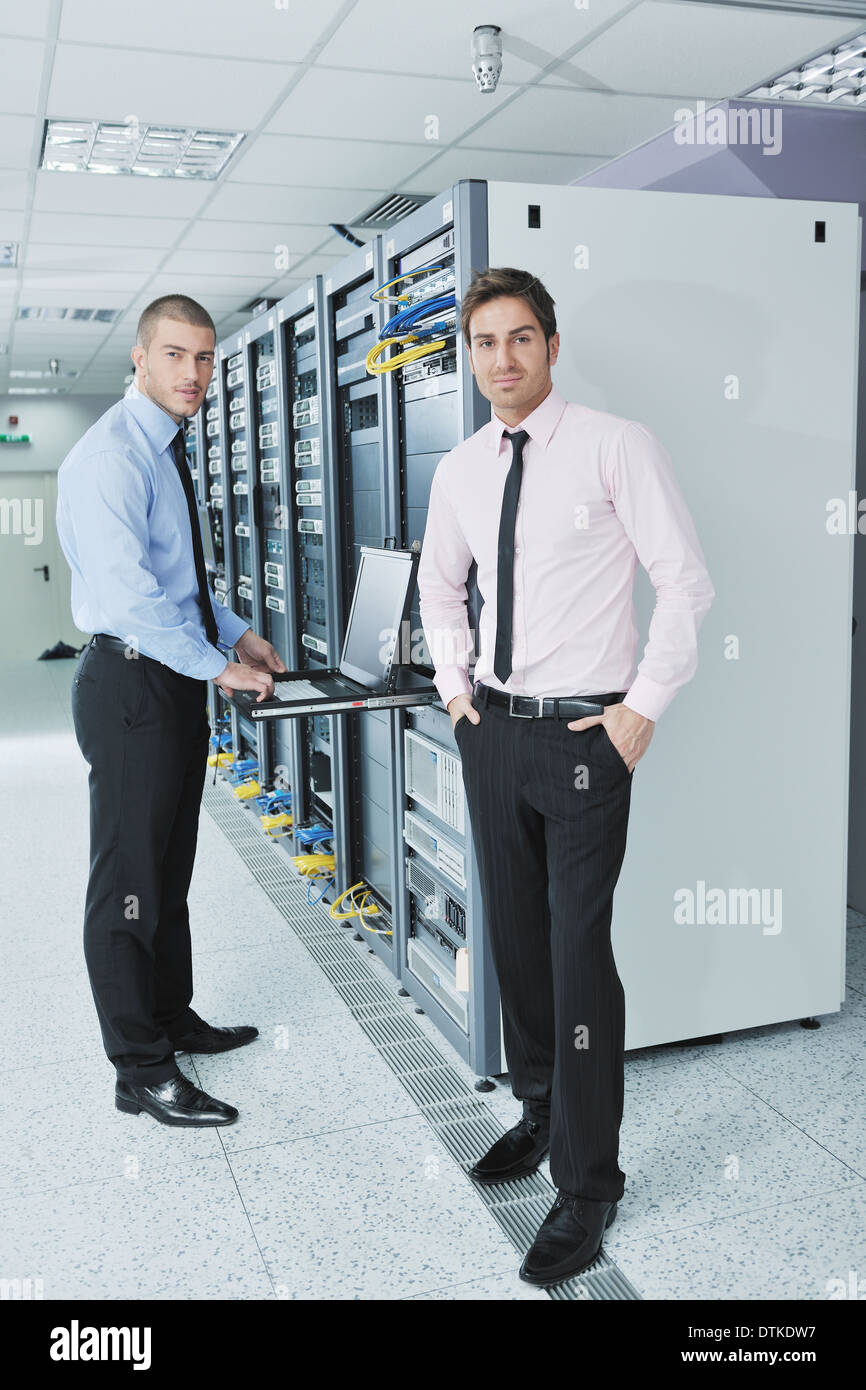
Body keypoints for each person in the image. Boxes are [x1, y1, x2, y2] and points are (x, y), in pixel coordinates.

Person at [417, 266, 715, 1286]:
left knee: (576, 951)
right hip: (494, 733)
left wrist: (640, 710)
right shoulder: (457, 467)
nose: (501, 360)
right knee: (516, 937)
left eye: (519, 339)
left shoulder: (613, 446)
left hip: (586, 742)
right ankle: (541, 1109)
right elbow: (439, 586)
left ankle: (588, 1183)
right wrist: (458, 697)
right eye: (483, 342)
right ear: (469, 354)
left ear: (549, 343)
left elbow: (683, 580)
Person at [56, 294, 288, 1128]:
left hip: (168, 679)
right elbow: (133, 602)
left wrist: (239, 637)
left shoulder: (163, 449)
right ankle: (140, 1069)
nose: (194, 374)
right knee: (126, 884)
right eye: (176, 355)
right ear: (140, 359)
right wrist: (218, 667)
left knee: (168, 873)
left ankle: (169, 1017)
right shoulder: (113, 458)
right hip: (129, 687)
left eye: (205, 357)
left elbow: (177, 585)